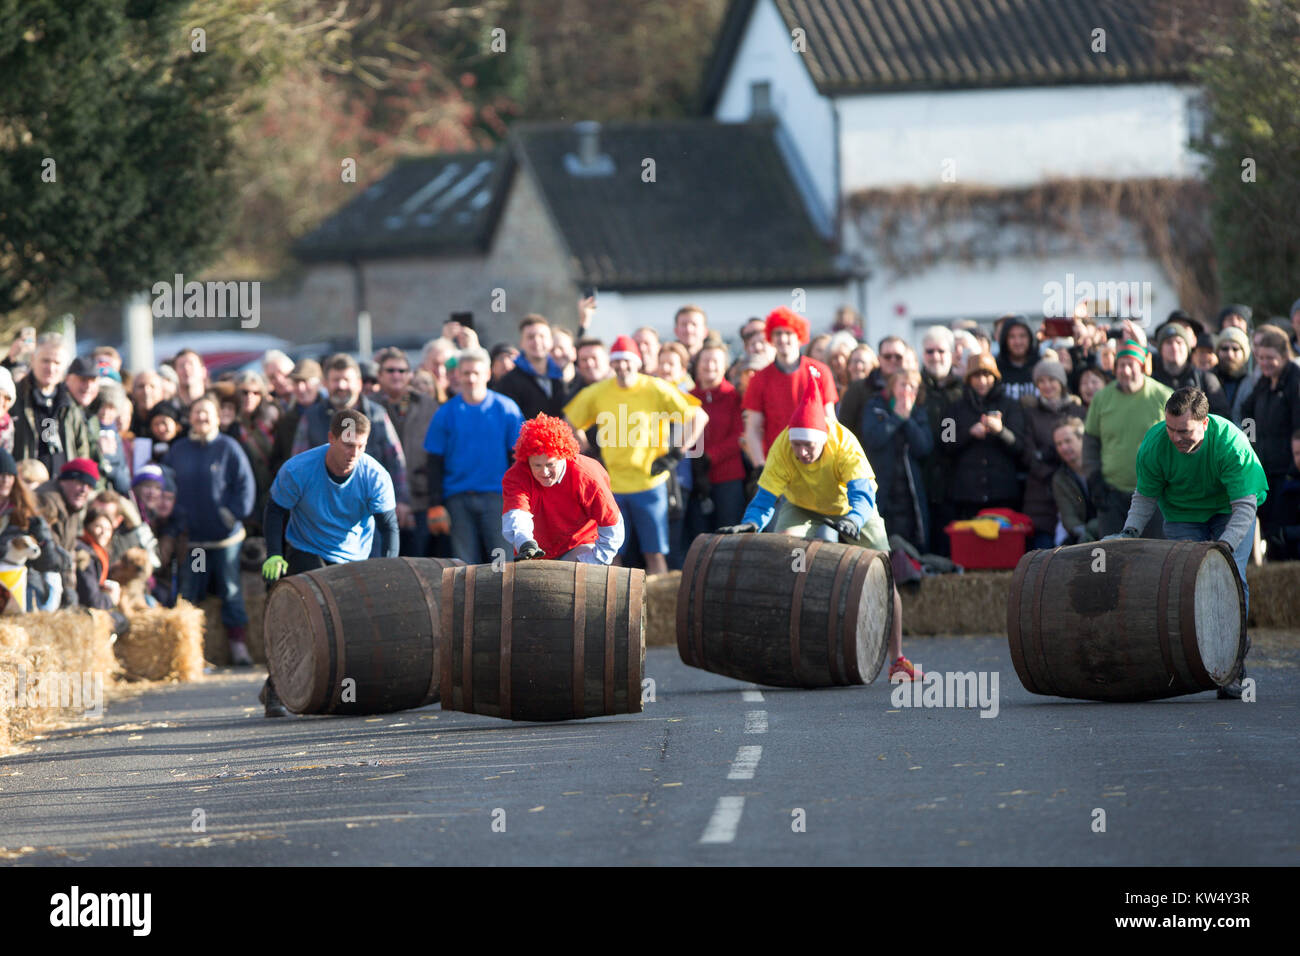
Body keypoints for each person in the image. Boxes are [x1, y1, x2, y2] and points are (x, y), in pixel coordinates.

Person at [716, 376, 916, 681]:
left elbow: (863, 496)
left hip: (851, 508)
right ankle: (785, 645)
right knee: (785, 551)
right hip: (802, 504)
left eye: (808, 445)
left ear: (823, 438)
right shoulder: (783, 446)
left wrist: (854, 520)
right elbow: (765, 498)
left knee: (884, 576)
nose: (801, 452)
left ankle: (897, 660)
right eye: (797, 445)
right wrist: (752, 522)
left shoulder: (845, 444)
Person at [1109, 387, 1267, 699]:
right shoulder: (1155, 443)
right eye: (1171, 429)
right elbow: (1145, 496)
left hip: (1229, 510)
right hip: (1183, 513)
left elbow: (1245, 508)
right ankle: (1205, 653)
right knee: (1189, 582)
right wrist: (1129, 532)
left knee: (1230, 577)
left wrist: (1224, 547)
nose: (1176, 437)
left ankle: (1233, 661)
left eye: (1184, 431)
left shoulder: (1231, 443)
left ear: (1205, 423)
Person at [259, 408, 398, 716]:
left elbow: (389, 527)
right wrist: (274, 553)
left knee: (348, 627)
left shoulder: (374, 475)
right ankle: (276, 689)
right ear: (331, 439)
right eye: (348, 445)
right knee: (305, 620)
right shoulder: (299, 469)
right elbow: (275, 511)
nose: (354, 453)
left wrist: (389, 570)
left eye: (361, 446)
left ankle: (340, 691)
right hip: (306, 546)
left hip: (352, 555)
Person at [562, 335, 706, 576]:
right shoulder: (598, 392)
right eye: (617, 361)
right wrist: (587, 453)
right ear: (611, 364)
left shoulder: (656, 387)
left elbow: (699, 416)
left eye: (627, 361)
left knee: (655, 554)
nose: (622, 366)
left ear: (637, 362)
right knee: (611, 553)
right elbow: (569, 422)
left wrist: (676, 453)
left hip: (650, 484)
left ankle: (657, 601)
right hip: (611, 487)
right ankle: (611, 599)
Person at [166, 395, 256, 666]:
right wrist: (176, 520)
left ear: (218, 417)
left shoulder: (228, 448)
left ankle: (238, 648)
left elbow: (245, 486)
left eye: (207, 412)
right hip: (195, 544)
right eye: (197, 412)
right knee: (193, 592)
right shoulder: (179, 450)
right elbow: (166, 488)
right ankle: (192, 652)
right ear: (190, 417)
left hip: (225, 541)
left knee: (230, 591)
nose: (201, 417)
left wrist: (232, 514)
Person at [292, 354, 411, 540]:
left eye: (346, 379)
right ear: (325, 383)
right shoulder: (312, 417)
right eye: (335, 380)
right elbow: (299, 465)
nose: (341, 386)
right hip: (323, 517)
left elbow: (395, 459)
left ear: (359, 383)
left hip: (370, 516)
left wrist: (401, 500)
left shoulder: (377, 415)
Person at [423, 347, 523, 565]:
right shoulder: (445, 413)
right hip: (457, 499)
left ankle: (503, 590)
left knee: (502, 562)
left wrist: (518, 499)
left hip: (498, 498)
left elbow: (518, 459)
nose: (471, 378)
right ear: (458, 375)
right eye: (466, 373)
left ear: (487, 373)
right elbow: (434, 461)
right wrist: (435, 504)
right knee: (463, 565)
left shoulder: (507, 409)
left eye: (476, 372)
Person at [500, 414, 624, 563]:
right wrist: (525, 543)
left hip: (579, 546)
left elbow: (612, 525)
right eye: (537, 465)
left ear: (564, 456)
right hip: (537, 551)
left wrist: (593, 560)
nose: (544, 472)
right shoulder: (516, 475)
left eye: (550, 464)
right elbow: (516, 515)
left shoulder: (587, 475)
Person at [1083, 340, 1174, 536]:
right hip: (1112, 494)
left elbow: (1178, 442)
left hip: (1155, 495)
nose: (1125, 371)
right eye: (1121, 365)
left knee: (1153, 551)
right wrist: (1094, 479)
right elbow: (1090, 443)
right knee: (1113, 551)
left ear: (1141, 366)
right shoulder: (1101, 398)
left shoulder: (1164, 396)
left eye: (1130, 365)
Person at [743, 307, 838, 465]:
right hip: (778, 462)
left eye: (788, 333)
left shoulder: (820, 371)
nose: (782, 338)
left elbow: (830, 421)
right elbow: (752, 428)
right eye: (777, 333)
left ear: (799, 336)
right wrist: (760, 464)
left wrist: (832, 460)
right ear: (771, 338)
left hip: (816, 460)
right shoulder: (759, 379)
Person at [372, 347, 439, 558]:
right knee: (384, 563)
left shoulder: (427, 405)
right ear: (379, 375)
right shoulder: (369, 406)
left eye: (402, 370)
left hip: (421, 498)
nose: (396, 375)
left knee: (419, 561)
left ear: (410, 374)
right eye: (390, 370)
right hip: (379, 499)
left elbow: (439, 455)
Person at [947, 352, 1029, 520]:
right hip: (967, 496)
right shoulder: (953, 408)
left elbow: (1019, 445)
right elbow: (945, 444)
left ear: (995, 378)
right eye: (976, 376)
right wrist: (969, 434)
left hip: (1003, 494)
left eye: (987, 375)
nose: (982, 381)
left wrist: (1000, 431)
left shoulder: (1011, 406)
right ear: (969, 379)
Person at [1239, 326, 1300, 553]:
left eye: (1270, 358)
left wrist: (1295, 464)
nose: (1264, 363)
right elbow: (1247, 411)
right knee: (1268, 525)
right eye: (1261, 358)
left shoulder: (1295, 381)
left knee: (1284, 529)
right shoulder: (1264, 383)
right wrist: (1250, 444)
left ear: (1284, 355)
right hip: (1264, 467)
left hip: (1288, 470)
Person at [1021, 359, 1086, 549]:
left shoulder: (1079, 411)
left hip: (1076, 488)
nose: (1046, 385)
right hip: (1042, 496)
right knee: (1044, 552)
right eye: (1041, 381)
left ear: (1061, 382)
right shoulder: (1030, 414)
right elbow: (1027, 454)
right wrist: (1055, 477)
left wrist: (1068, 473)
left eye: (1051, 380)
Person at [11, 333, 94, 476]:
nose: (50, 368)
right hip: (26, 482)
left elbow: (81, 449)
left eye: (57, 363)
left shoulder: (69, 403)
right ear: (33, 360)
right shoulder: (15, 398)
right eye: (45, 361)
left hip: (63, 484)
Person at [688, 339, 746, 534]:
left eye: (715, 361)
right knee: (698, 534)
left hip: (728, 477)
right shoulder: (688, 397)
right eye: (705, 361)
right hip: (696, 477)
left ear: (724, 367)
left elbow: (739, 435)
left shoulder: (734, 397)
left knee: (728, 533)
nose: (710, 366)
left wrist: (710, 456)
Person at [0, 448, 66, 611]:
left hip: (20, 584)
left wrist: (41, 540)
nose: (5, 480)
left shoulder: (28, 515)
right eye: (1, 474)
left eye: (10, 475)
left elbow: (49, 563)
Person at [36, 457, 100, 606]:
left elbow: (68, 554)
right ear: (64, 480)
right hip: (39, 577)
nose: (84, 490)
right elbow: (50, 555)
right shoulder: (48, 501)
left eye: (89, 486)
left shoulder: (72, 508)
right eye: (80, 482)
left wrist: (70, 592)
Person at [493, 315, 570, 420]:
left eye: (542, 336)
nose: (537, 341)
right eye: (530, 337)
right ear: (521, 343)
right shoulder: (509, 382)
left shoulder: (560, 378)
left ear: (550, 342)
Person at [1152, 323, 1229, 417]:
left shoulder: (1206, 379)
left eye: (1179, 342)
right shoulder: (1152, 382)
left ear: (1187, 347)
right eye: (1169, 342)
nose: (1174, 347)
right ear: (1160, 349)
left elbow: (1222, 416)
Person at [1050, 418, 1099, 545]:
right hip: (1079, 535)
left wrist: (1092, 528)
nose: (1063, 447)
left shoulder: (1102, 466)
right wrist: (1083, 532)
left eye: (1068, 441)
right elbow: (1068, 517)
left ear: (1082, 439)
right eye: (1059, 444)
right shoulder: (1060, 478)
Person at [995, 314, 1040, 402]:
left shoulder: (1041, 366)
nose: (1017, 342)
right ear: (1005, 340)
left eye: (1022, 336)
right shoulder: (995, 369)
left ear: (1031, 338)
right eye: (1012, 336)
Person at [1214, 327, 1255, 424]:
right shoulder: (1207, 380)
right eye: (1225, 348)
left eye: (1235, 349)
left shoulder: (1253, 384)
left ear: (1244, 353)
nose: (1230, 354)